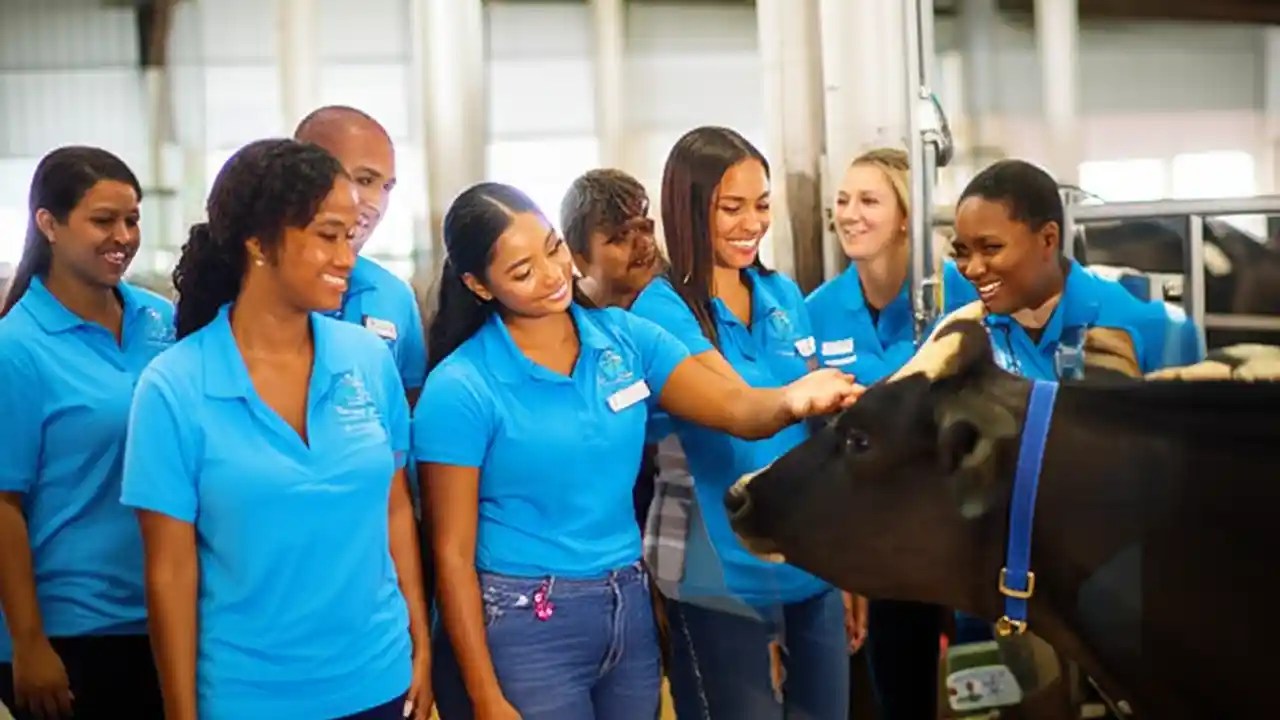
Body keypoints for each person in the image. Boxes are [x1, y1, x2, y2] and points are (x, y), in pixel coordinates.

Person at [413, 182, 861, 720]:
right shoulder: (462, 387)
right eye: (523, 272)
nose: (554, 276)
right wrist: (484, 696)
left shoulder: (623, 339)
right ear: (478, 286)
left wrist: (792, 400)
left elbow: (734, 408)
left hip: (626, 607)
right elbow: (452, 557)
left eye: (553, 249)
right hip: (525, 621)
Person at [120, 138, 432, 720]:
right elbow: (169, 572)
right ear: (259, 243)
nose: (346, 256)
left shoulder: (366, 360)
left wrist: (420, 641)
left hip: (380, 681)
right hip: (249, 696)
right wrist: (182, 712)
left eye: (350, 235)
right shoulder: (175, 387)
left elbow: (393, 507)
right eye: (326, 235)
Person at [628, 125, 850, 719]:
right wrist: (799, 396)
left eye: (761, 204)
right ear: (688, 208)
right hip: (717, 579)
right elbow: (738, 410)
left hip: (810, 566)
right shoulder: (660, 311)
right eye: (732, 208)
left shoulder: (782, 295)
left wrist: (846, 563)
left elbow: (816, 442)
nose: (751, 222)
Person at [0, 146, 170, 720]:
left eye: (132, 219)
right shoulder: (16, 349)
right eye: (103, 220)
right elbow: (2, 505)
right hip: (73, 631)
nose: (122, 235)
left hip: (166, 610)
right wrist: (27, 642)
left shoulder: (161, 320)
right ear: (48, 223)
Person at [805, 147, 964, 719]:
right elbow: (812, 439)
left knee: (991, 684)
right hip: (883, 536)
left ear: (906, 217)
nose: (849, 213)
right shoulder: (818, 311)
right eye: (843, 200)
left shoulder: (957, 296)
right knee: (900, 692)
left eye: (868, 200)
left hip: (965, 525)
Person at [943, 158, 1204, 379]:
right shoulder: (960, 317)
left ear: (1048, 239)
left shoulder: (1152, 328)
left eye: (991, 247)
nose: (973, 269)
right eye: (962, 252)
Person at [294, 105, 427, 402]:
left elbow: (406, 409)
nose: (376, 203)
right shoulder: (258, 287)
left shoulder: (394, 294)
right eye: (365, 180)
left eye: (387, 187)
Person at [560, 168, 667, 530]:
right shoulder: (565, 328)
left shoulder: (673, 312)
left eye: (646, 228)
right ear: (578, 258)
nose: (643, 245)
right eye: (621, 237)